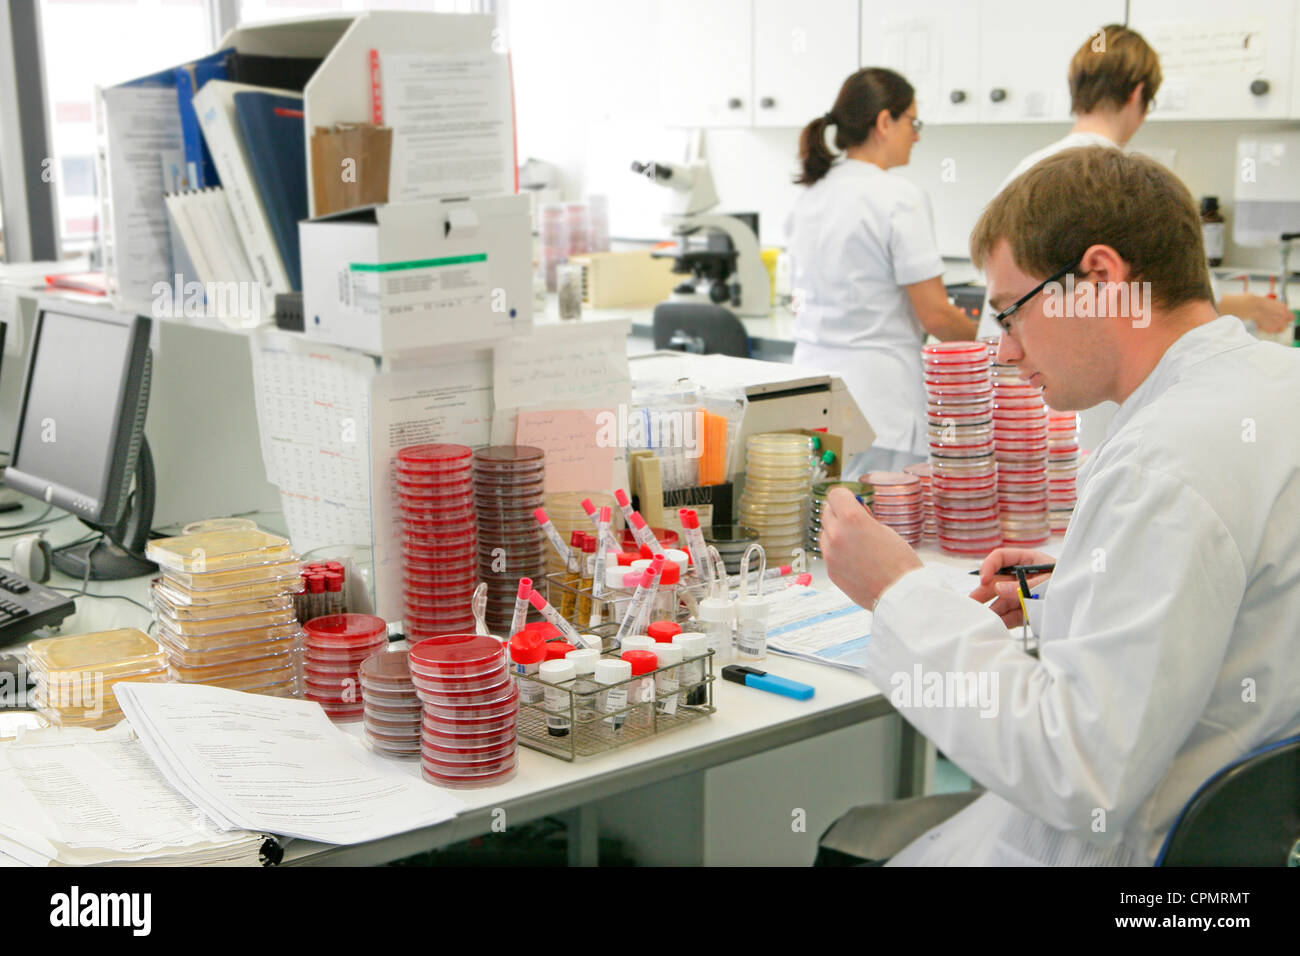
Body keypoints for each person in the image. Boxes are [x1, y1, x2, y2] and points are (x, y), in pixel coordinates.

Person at [820, 146, 1300, 866]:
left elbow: (1077, 770)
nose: (1006, 352)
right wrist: (1071, 582)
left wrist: (899, 591)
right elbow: (1232, 605)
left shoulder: (1163, 462)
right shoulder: (1271, 384)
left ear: (1101, 279)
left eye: (1011, 314)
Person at [976, 24, 1292, 339]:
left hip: (1005, 359)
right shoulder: (1123, 183)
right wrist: (1251, 306)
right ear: (1138, 93)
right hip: (1068, 372)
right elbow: (1180, 302)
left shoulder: (1027, 170)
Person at [786, 68, 976, 474]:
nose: (918, 134)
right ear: (884, 122)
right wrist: (999, 343)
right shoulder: (899, 198)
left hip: (807, 392)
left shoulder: (809, 195)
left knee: (824, 523)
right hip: (879, 404)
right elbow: (937, 315)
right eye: (913, 121)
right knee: (885, 527)